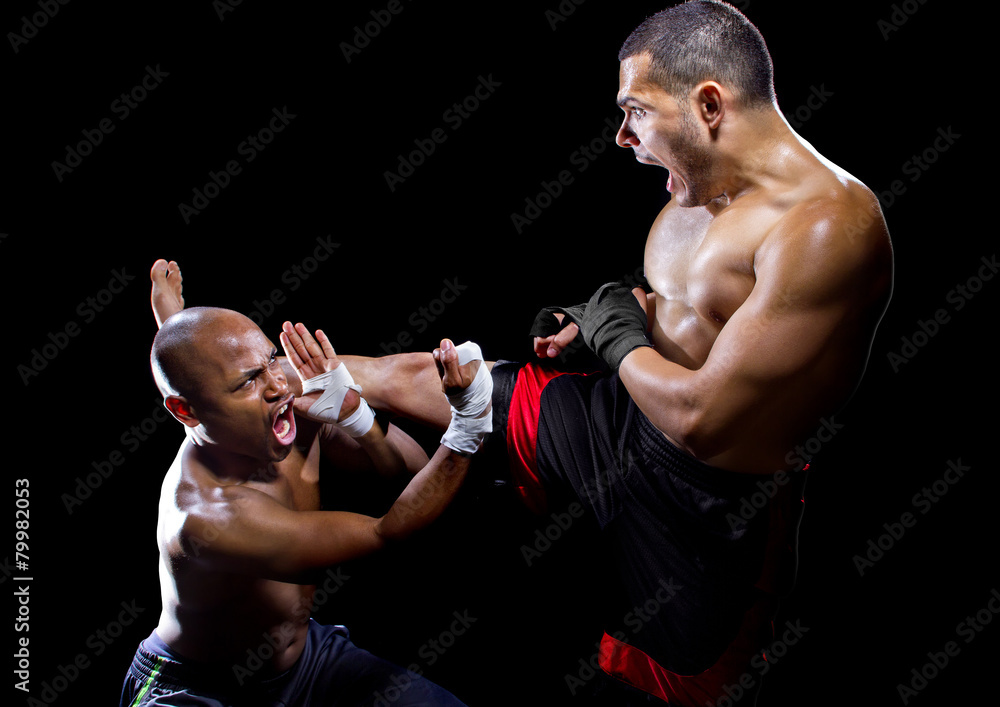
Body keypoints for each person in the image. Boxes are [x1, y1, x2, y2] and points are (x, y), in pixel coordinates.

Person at [329, 2, 894, 704]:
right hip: (622, 416)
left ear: (709, 103)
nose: (623, 136)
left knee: (680, 685)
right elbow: (680, 308)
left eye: (637, 111)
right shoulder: (693, 187)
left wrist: (613, 329)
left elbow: (700, 417)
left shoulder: (826, 228)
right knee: (445, 378)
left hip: (711, 506)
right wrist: (601, 318)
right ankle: (272, 376)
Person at [119, 260, 491, 706]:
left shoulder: (274, 393)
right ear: (186, 412)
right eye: (248, 383)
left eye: (270, 360)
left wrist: (359, 419)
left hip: (306, 662)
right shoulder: (205, 517)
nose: (279, 385)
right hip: (199, 690)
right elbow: (390, 529)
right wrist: (469, 423)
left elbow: (404, 474)